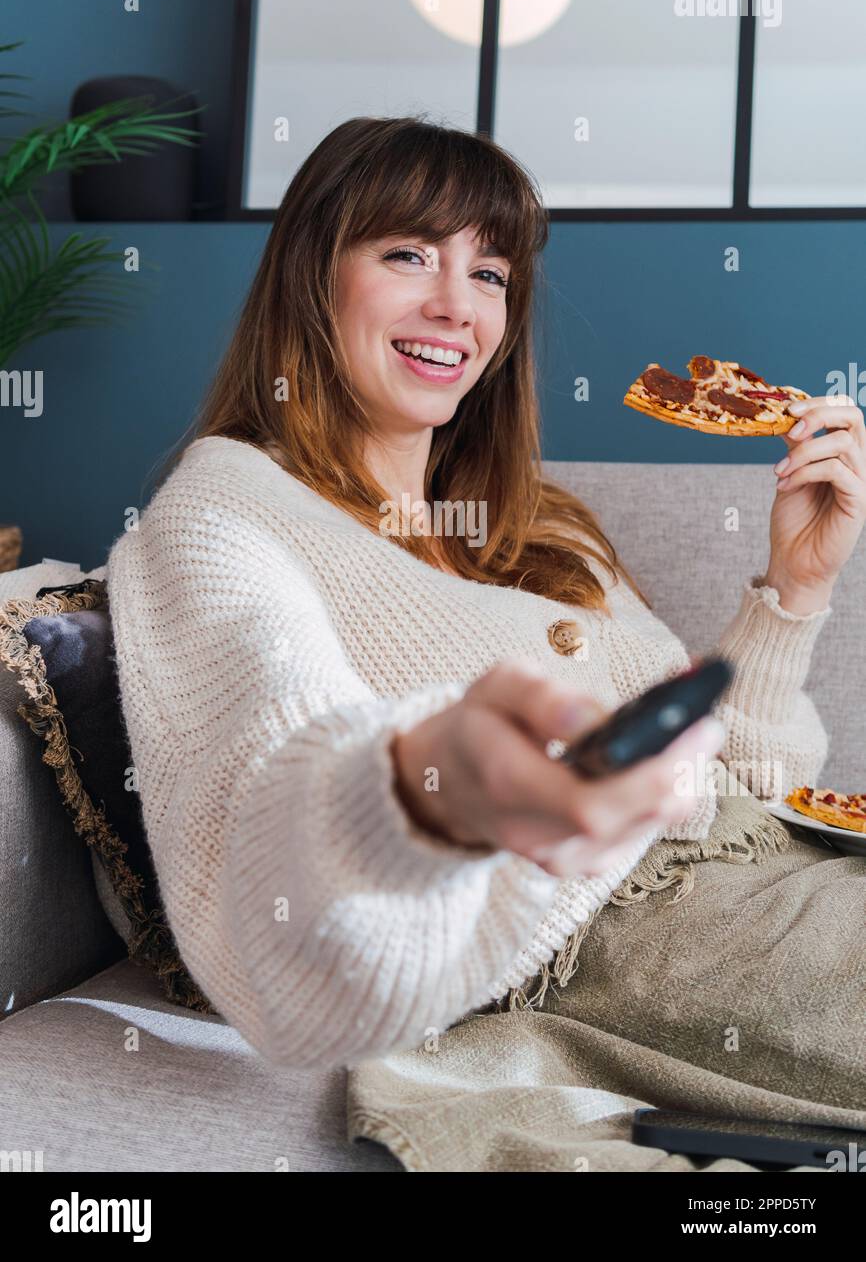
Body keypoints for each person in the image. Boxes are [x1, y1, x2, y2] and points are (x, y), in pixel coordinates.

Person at [106, 116, 866, 1072]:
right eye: (409, 254)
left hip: (783, 868)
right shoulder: (222, 512)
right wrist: (430, 788)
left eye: (490, 274)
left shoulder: (542, 526)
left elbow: (749, 779)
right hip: (628, 936)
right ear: (312, 275)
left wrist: (796, 586)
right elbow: (271, 794)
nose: (456, 305)